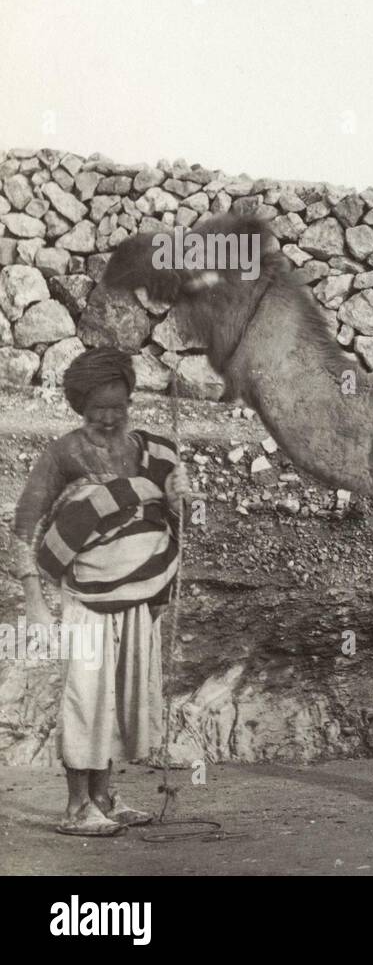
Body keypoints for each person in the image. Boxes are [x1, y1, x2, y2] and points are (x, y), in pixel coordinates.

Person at [12, 346, 190, 836]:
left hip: (138, 597)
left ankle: (105, 797)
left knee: (116, 698)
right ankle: (75, 808)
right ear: (79, 407)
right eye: (98, 410)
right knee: (85, 698)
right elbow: (25, 529)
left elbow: (177, 521)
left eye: (119, 406)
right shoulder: (62, 454)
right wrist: (34, 600)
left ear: (130, 400)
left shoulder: (150, 453)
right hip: (86, 599)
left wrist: (181, 498)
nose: (110, 418)